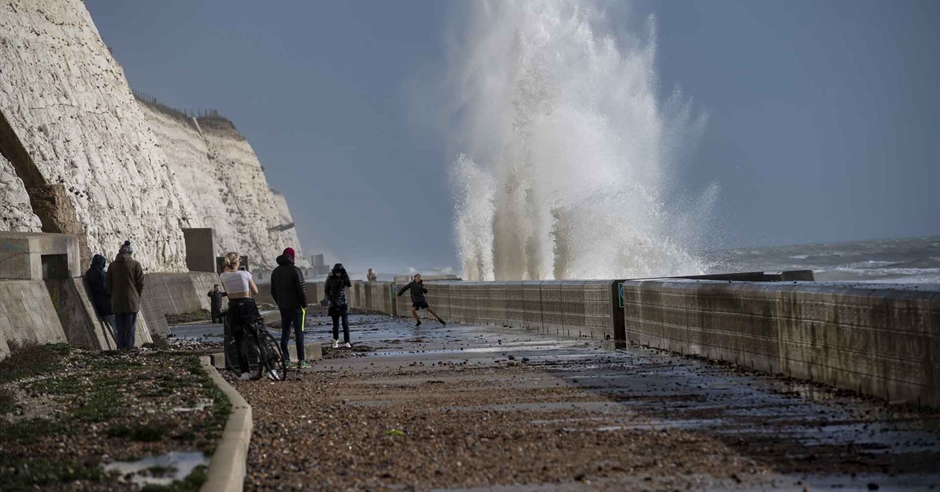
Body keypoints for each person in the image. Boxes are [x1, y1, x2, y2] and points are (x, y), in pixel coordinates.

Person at [220, 252, 259, 381]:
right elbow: (255, 291)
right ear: (237, 262)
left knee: (239, 340)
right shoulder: (245, 274)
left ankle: (245, 372)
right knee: (258, 334)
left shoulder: (223, 276)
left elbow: (227, 272)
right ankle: (270, 366)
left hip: (234, 307)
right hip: (247, 306)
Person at [270, 247, 308, 369]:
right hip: (297, 307)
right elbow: (301, 290)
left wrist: (280, 303)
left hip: (284, 307)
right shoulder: (295, 270)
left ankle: (286, 360)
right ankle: (301, 360)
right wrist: (304, 304)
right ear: (292, 257)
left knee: (285, 332)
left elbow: (273, 291)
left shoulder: (275, 272)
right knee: (299, 332)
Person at [105, 241, 144, 349]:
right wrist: (137, 295)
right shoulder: (135, 264)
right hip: (131, 301)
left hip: (117, 301)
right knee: (130, 326)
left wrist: (113, 294)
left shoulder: (112, 265)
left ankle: (120, 347)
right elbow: (140, 283)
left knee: (120, 326)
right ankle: (129, 347)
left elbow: (107, 283)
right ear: (130, 253)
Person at [324, 263, 352, 349]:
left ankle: (347, 341)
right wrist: (331, 300)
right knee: (335, 325)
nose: (338, 274)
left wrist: (346, 275)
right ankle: (335, 341)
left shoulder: (344, 278)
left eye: (340, 272)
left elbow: (349, 284)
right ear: (334, 272)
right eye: (337, 272)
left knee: (345, 323)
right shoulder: (330, 278)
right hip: (334, 304)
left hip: (343, 303)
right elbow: (326, 290)